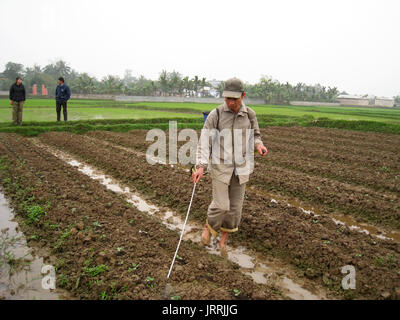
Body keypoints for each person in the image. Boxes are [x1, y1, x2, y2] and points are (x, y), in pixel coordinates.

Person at [192, 77, 268, 256]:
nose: (231, 102)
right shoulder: (216, 114)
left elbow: (256, 135)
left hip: (242, 167)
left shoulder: (249, 114)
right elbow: (205, 141)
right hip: (221, 166)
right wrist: (201, 165)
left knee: (234, 211)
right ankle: (208, 228)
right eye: (227, 98)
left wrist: (259, 145)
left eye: (234, 99)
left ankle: (223, 242)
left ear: (242, 96)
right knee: (221, 205)